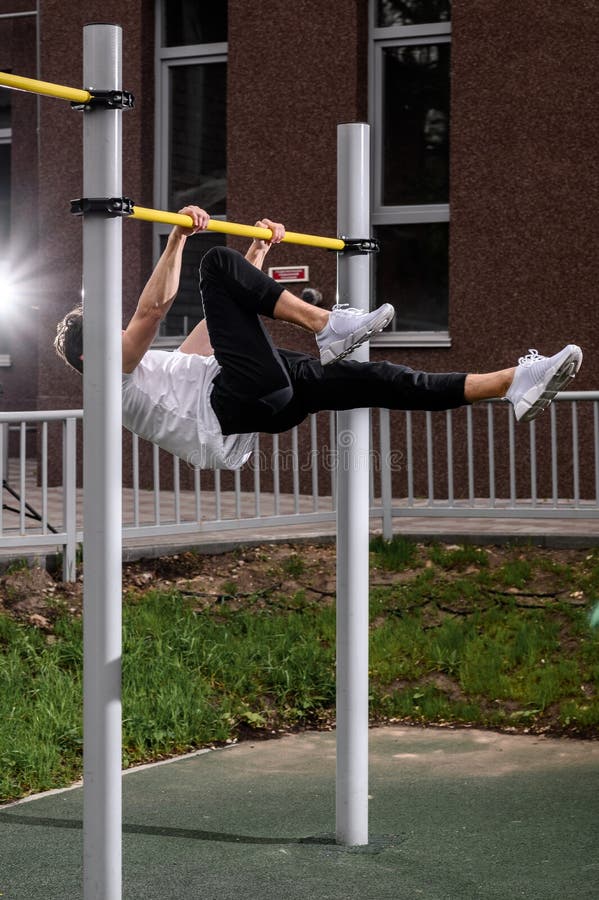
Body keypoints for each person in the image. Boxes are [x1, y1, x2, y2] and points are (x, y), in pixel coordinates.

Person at [54, 206, 583, 470]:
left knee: (379, 379)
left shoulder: (144, 373)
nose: (120, 328)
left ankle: (512, 382)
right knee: (213, 263)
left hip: (262, 404)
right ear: (88, 351)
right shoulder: (110, 377)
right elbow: (153, 309)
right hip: (234, 403)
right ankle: (328, 325)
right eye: (108, 326)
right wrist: (177, 238)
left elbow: (207, 339)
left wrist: (254, 262)